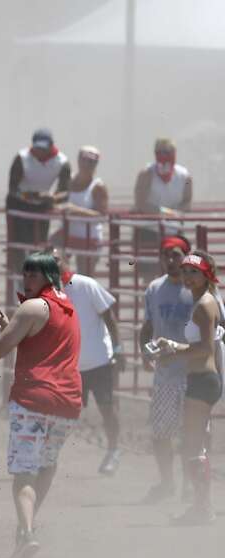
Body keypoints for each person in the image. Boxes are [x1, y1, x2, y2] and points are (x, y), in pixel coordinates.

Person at [0, 252, 81, 558]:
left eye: (33, 274)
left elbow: (2, 349)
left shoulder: (31, 307)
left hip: (33, 399)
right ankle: (25, 529)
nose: (26, 279)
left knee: (24, 473)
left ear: (48, 276)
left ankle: (26, 532)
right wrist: (7, 325)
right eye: (25, 273)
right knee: (46, 465)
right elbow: (32, 342)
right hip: (67, 402)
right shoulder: (66, 307)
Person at [153, 251, 222, 525]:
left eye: (194, 272)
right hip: (201, 379)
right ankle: (201, 505)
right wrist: (175, 347)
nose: (188, 277)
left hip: (202, 379)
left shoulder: (204, 305)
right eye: (185, 272)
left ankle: (203, 508)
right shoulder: (204, 302)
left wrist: (174, 352)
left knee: (192, 448)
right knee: (193, 446)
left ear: (206, 274)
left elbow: (204, 348)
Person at [138, 235, 195, 503]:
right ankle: (167, 482)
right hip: (165, 374)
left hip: (194, 373)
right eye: (166, 256)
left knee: (193, 435)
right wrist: (143, 350)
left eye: (176, 255)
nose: (171, 261)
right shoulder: (154, 289)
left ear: (186, 256)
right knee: (161, 434)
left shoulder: (197, 288)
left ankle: (190, 484)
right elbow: (148, 326)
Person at [59, 254, 121, 474]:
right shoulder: (50, 292)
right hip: (71, 366)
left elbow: (109, 318)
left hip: (99, 361)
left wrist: (118, 350)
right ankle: (52, 458)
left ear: (65, 260)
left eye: (57, 260)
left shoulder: (85, 284)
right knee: (64, 413)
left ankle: (114, 451)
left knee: (107, 408)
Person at [5, 129, 71, 296]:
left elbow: (65, 191)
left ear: (51, 146)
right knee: (19, 249)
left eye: (44, 147)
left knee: (38, 248)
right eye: (37, 147)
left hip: (42, 208)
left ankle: (38, 289)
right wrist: (31, 196)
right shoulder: (22, 158)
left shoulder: (62, 161)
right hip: (19, 206)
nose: (40, 151)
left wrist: (52, 198)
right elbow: (13, 189)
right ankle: (20, 288)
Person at [54, 146, 109, 275]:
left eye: (93, 161)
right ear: (79, 160)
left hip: (89, 236)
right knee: (51, 254)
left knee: (85, 277)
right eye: (85, 160)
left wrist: (75, 210)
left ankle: (81, 292)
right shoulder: (68, 181)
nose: (88, 164)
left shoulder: (98, 186)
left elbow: (102, 216)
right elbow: (56, 200)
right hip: (67, 233)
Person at [133, 137, 192, 220]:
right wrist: (165, 213)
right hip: (149, 226)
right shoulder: (145, 175)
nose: (163, 156)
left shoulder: (186, 178)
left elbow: (187, 201)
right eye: (159, 153)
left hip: (174, 225)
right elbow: (140, 203)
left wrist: (174, 213)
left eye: (167, 152)